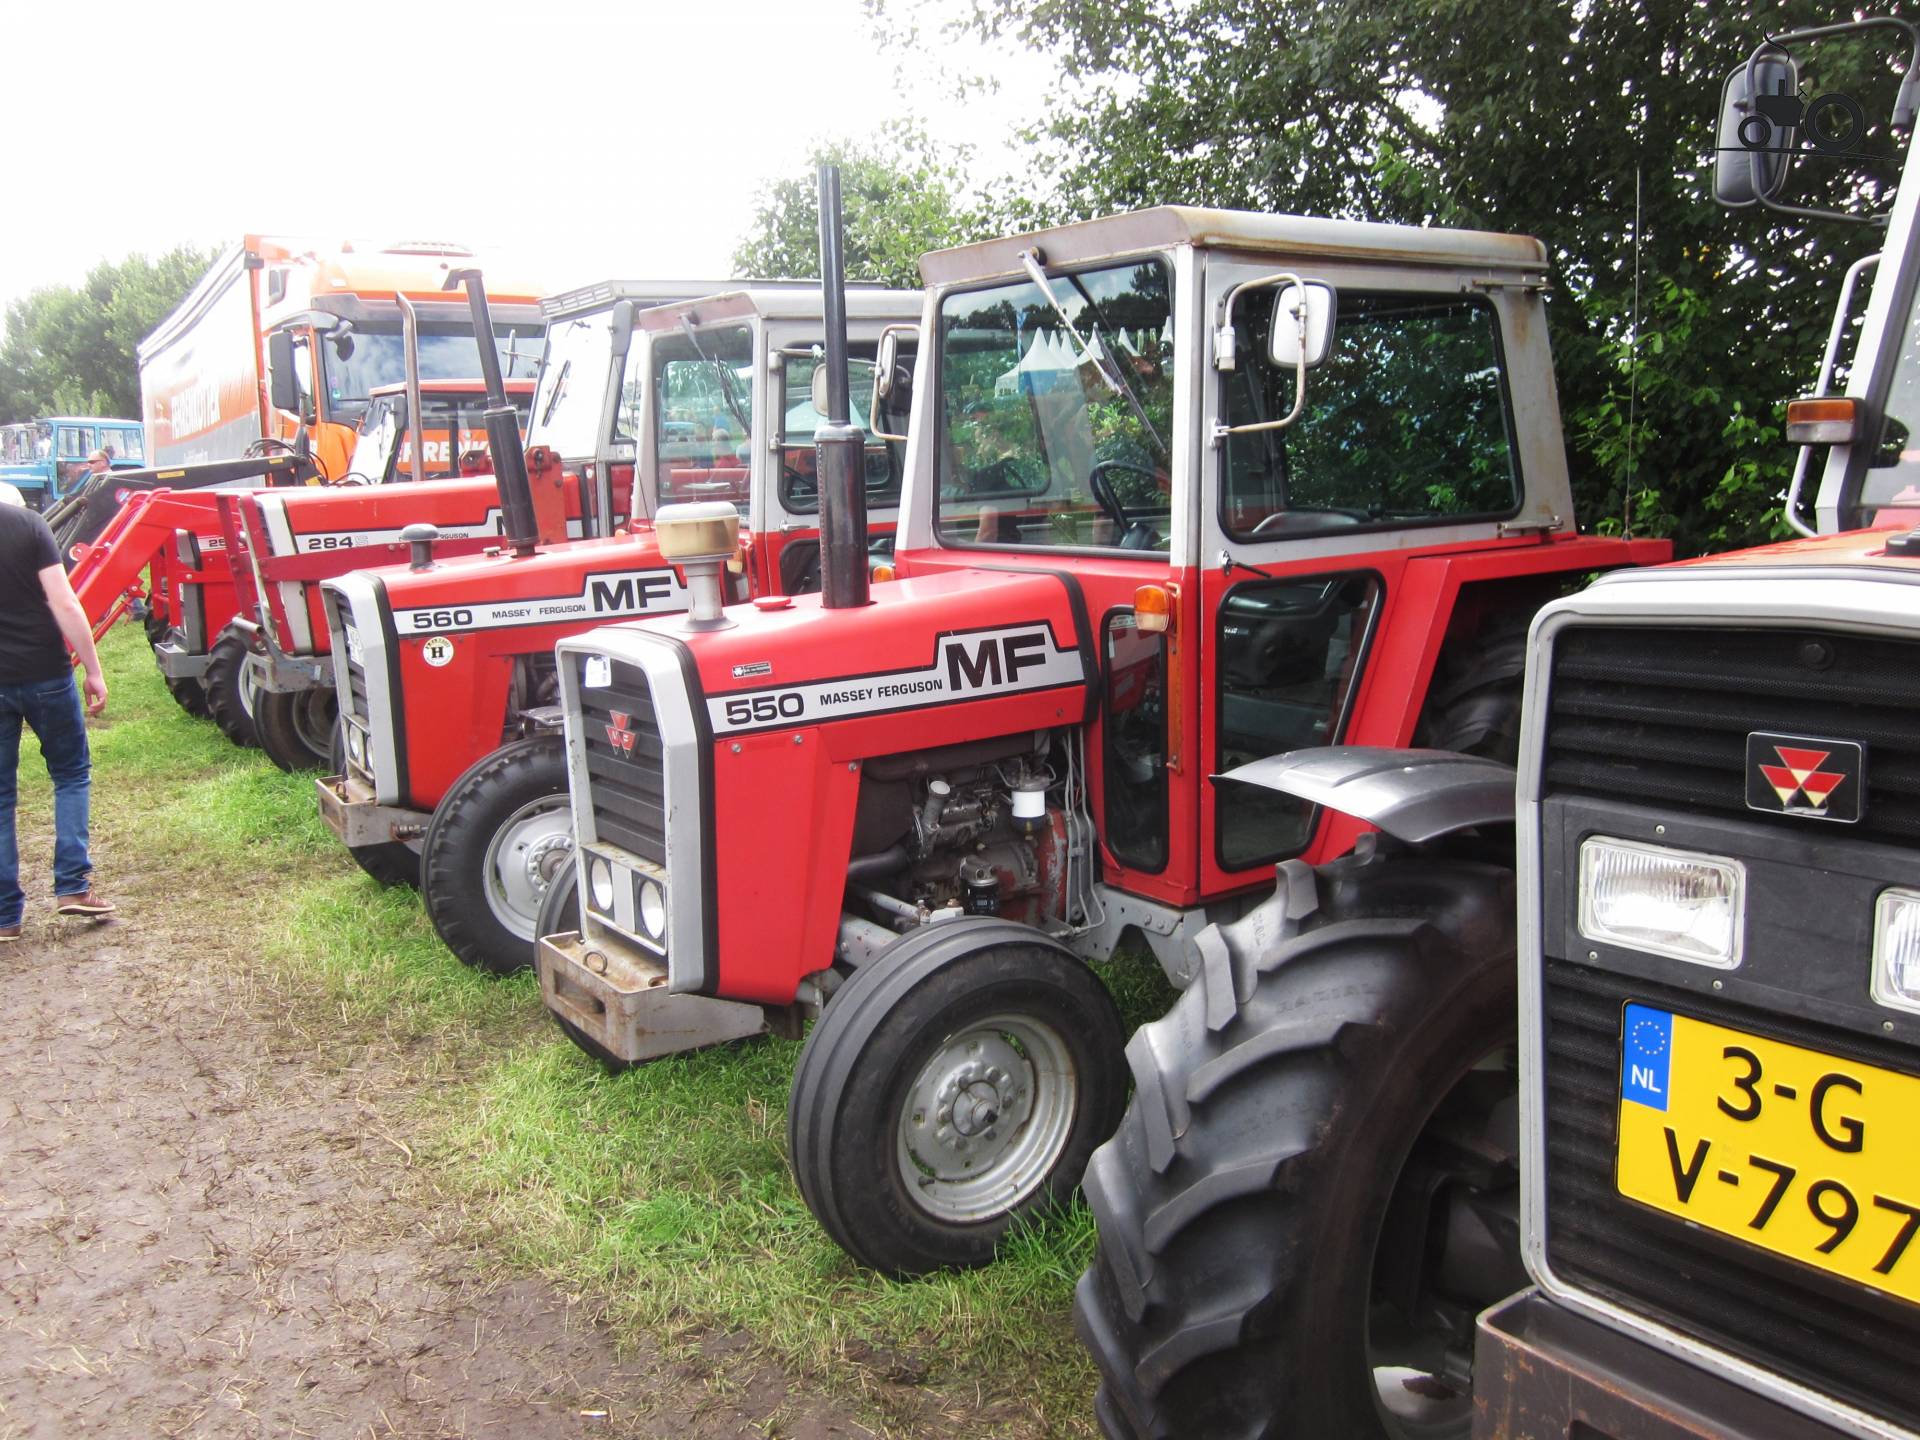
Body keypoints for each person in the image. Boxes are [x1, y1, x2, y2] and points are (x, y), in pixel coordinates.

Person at [0, 485, 112, 941]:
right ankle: (72, 888)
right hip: (46, 673)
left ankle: (5, 915)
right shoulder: (28, 524)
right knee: (70, 775)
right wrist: (93, 669)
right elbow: (64, 602)